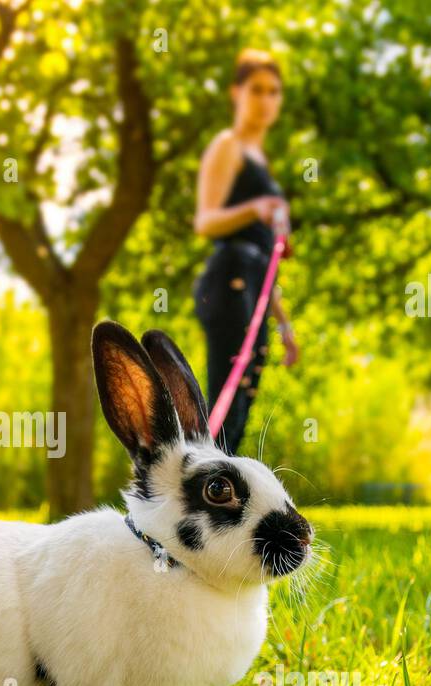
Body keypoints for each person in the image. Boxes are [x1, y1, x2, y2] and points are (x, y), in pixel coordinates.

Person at [192, 48, 298, 453]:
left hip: (255, 283)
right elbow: (206, 221)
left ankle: (215, 502)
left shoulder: (260, 159)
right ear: (236, 92)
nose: (266, 100)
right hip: (230, 276)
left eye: (274, 92)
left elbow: (267, 265)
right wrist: (255, 209)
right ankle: (190, 502)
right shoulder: (228, 146)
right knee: (224, 402)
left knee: (240, 412)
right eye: (256, 90)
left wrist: (285, 326)